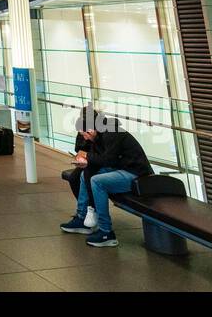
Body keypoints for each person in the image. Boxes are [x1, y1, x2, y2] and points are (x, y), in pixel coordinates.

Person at [59, 106, 153, 248]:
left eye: (84, 135)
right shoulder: (99, 134)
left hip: (135, 173)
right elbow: (103, 158)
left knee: (97, 181)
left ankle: (106, 231)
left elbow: (109, 160)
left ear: (90, 130)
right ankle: (82, 216)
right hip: (120, 168)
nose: (84, 138)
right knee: (85, 175)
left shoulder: (111, 132)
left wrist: (87, 156)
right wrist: (87, 161)